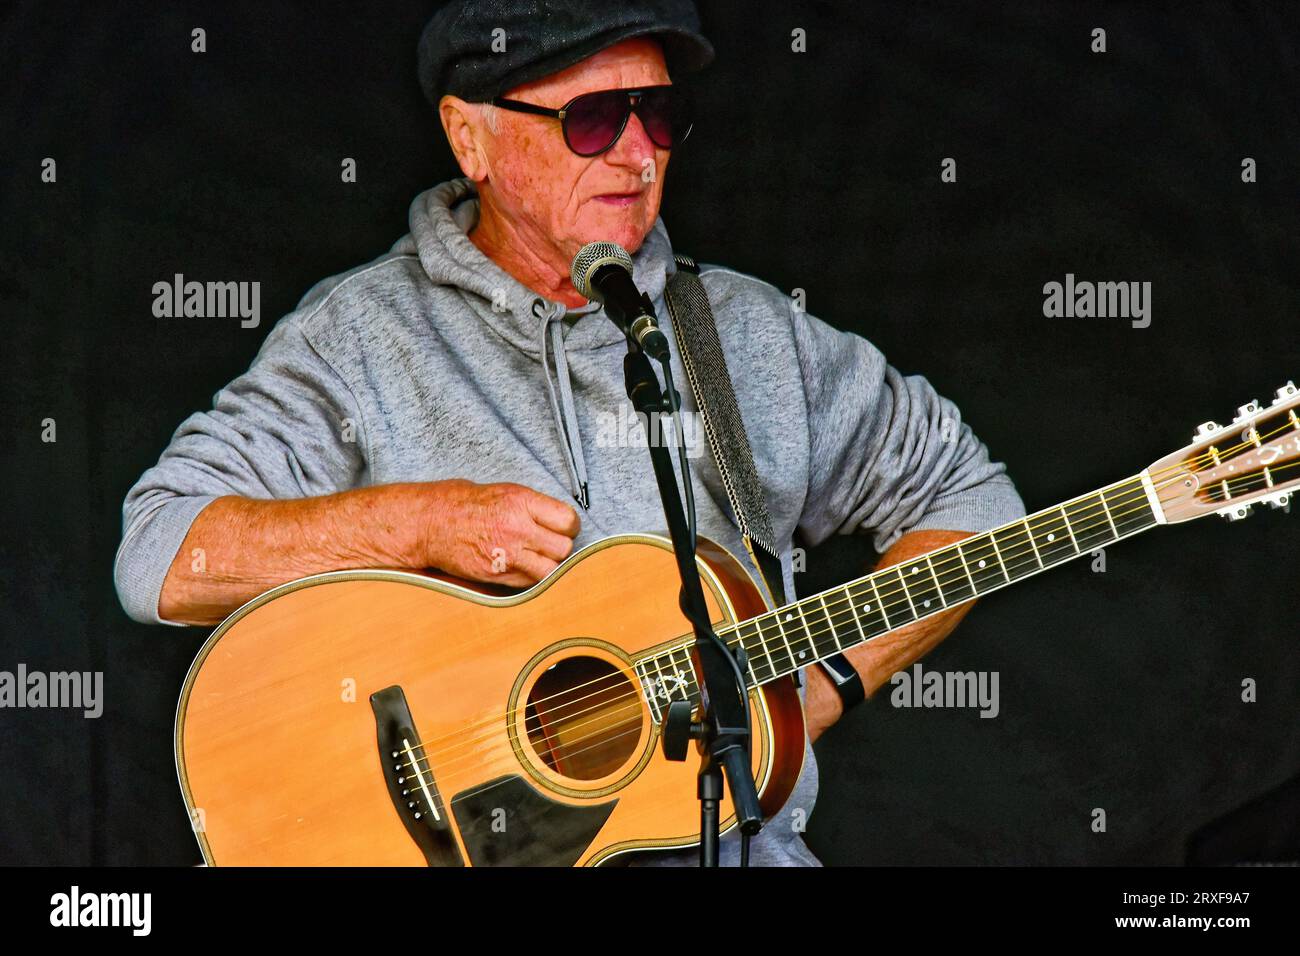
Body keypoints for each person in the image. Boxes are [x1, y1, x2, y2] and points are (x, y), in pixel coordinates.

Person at [115, 0, 1024, 866]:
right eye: (593, 119)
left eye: (659, 114)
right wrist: (422, 526)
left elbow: (970, 498)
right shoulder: (356, 338)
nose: (637, 155)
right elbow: (159, 554)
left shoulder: (752, 335)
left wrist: (820, 687)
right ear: (470, 136)